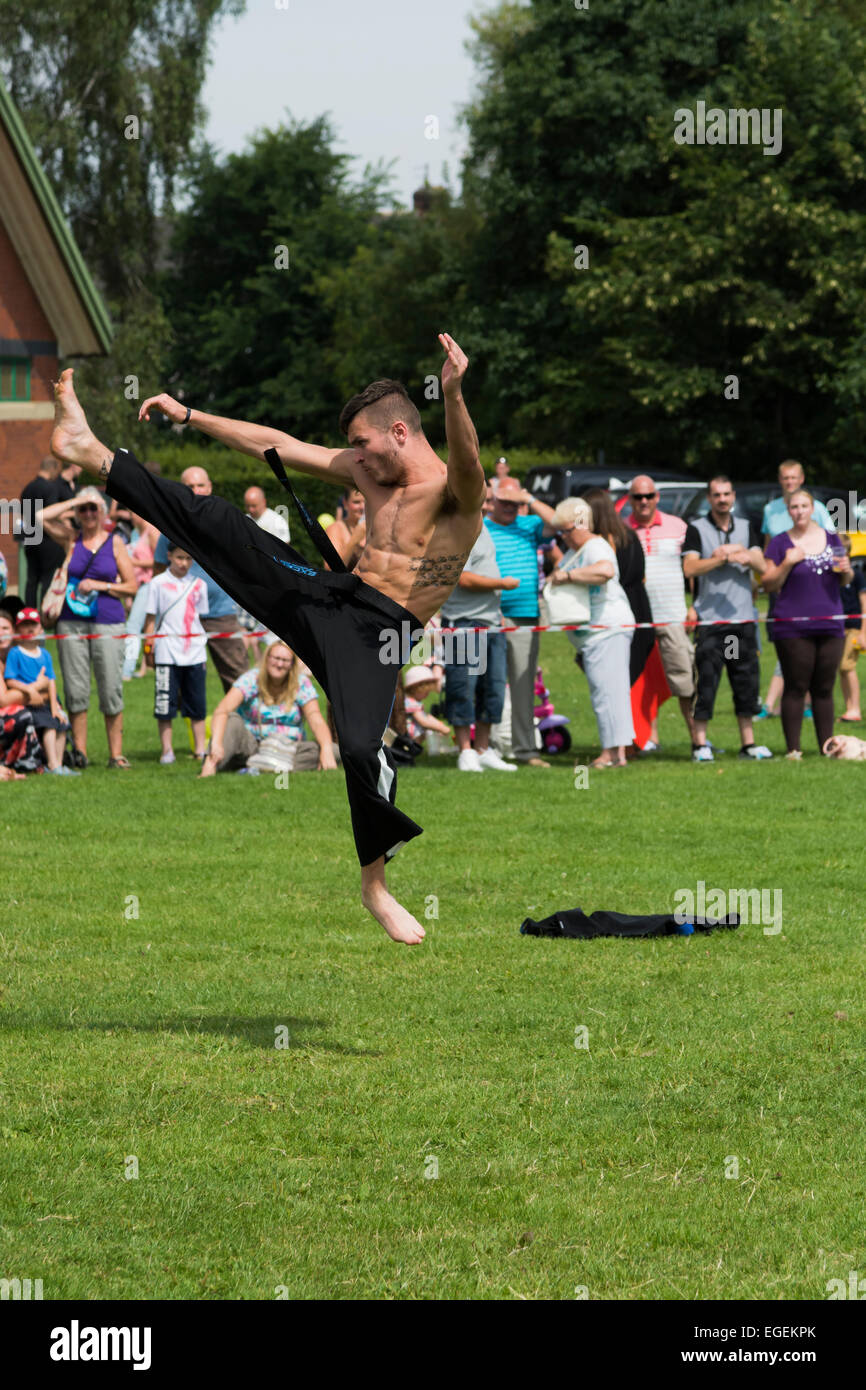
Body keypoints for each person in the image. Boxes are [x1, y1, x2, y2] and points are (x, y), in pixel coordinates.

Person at [50, 331, 485, 945]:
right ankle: (93, 451)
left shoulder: (454, 495)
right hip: (333, 601)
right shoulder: (369, 471)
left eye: (361, 442)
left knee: (361, 749)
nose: (352, 455)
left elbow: (467, 460)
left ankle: (374, 885)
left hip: (381, 637)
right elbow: (277, 446)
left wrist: (456, 393)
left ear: (399, 433)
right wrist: (190, 415)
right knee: (223, 522)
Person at [37, 486, 137, 768]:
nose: (89, 513)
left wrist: (101, 585)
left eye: (94, 508)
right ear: (77, 514)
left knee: (110, 687)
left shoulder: (115, 542)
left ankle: (116, 754)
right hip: (71, 623)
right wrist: (76, 500)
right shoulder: (72, 539)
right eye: (84, 509)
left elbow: (132, 586)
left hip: (108, 621)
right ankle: (79, 753)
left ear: (103, 511)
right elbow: (38, 517)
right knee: (76, 688)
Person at [682, 477, 772, 761]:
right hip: (711, 622)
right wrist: (719, 558)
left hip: (740, 623)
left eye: (726, 494)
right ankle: (700, 744)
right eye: (716, 495)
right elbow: (690, 567)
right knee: (706, 682)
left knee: (744, 680)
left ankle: (748, 744)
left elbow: (763, 566)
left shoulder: (745, 528)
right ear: (709, 498)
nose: (722, 499)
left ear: (733, 496)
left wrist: (744, 555)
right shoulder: (696, 529)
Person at [762, 489, 852, 757]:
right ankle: (793, 750)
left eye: (804, 506)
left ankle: (827, 748)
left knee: (824, 687)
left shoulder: (832, 538)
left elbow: (843, 581)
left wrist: (846, 571)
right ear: (788, 511)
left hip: (831, 624)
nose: (799, 511)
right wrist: (787, 563)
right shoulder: (780, 543)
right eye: (794, 507)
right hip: (792, 626)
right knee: (796, 686)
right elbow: (767, 583)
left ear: (813, 509)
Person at [552, 497, 635, 767]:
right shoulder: (575, 551)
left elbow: (605, 571)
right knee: (613, 691)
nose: (563, 537)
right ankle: (618, 752)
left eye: (566, 531)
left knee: (606, 692)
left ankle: (610, 753)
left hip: (606, 629)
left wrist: (569, 576)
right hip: (599, 632)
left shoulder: (595, 546)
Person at [152, 466, 248, 693]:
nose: (195, 490)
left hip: (220, 613)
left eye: (200, 485)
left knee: (241, 682)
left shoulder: (227, 523)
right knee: (181, 686)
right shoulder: (170, 528)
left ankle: (244, 728)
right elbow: (158, 572)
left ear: (210, 487)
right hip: (180, 617)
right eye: (189, 486)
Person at [484, 475, 558, 767]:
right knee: (487, 683)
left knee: (523, 684)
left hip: (526, 615)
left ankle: (526, 750)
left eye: (515, 503)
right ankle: (484, 748)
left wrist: (529, 500)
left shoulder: (530, 525)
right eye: (504, 501)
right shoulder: (481, 528)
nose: (510, 507)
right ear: (492, 501)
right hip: (489, 615)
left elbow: (561, 523)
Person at [583, 487, 662, 753]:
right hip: (638, 610)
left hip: (616, 614)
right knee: (627, 681)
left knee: (619, 684)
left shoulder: (603, 543)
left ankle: (627, 745)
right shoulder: (628, 535)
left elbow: (607, 575)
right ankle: (630, 743)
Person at [759, 459, 835, 717]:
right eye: (785, 478)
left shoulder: (820, 509)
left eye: (794, 478)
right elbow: (768, 547)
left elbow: (834, 544)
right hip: (782, 588)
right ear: (779, 480)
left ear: (801, 479)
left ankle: (801, 702)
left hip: (814, 589)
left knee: (814, 650)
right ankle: (779, 702)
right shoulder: (771, 510)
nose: (789, 482)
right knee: (788, 649)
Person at [626, 475, 697, 749]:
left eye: (648, 496)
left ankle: (697, 740)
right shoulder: (623, 530)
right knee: (643, 682)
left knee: (685, 681)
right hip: (636, 618)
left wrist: (694, 604)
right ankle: (647, 738)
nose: (643, 502)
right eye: (637, 497)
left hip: (673, 614)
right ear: (630, 499)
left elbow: (693, 569)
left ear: (656, 497)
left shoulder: (678, 527)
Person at [441, 523, 518, 772]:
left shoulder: (482, 528)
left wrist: (497, 609)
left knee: (493, 687)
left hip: (492, 621)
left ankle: (483, 749)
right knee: (463, 685)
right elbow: (462, 578)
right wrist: (502, 585)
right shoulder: (455, 529)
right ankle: (465, 750)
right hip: (463, 621)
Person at [200, 640, 337, 775]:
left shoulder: (301, 683)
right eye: (276, 658)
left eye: (285, 660)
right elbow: (222, 711)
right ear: (267, 659)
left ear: (292, 664)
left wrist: (326, 749)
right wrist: (216, 745)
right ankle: (213, 763)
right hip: (253, 746)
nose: (279, 664)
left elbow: (315, 718)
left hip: (288, 748)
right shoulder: (251, 679)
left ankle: (263, 764)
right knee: (232, 719)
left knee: (335, 751)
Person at [143, 544, 209, 764]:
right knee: (165, 704)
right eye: (180, 557)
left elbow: (201, 618)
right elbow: (150, 620)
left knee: (197, 704)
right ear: (169, 556)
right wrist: (148, 649)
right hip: (166, 653)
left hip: (195, 653)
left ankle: (200, 749)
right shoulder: (157, 583)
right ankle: (167, 750)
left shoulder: (199, 584)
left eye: (189, 558)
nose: (184, 563)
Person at [2, 608, 78, 774]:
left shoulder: (45, 654)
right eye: (25, 625)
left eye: (33, 625)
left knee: (61, 722)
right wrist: (31, 688)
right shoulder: (15, 654)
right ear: (18, 630)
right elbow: (10, 680)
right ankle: (52, 764)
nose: (29, 629)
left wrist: (54, 707)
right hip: (29, 704)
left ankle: (59, 762)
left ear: (41, 629)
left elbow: (51, 682)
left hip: (44, 703)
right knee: (49, 726)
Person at [17, 455, 66, 607]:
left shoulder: (27, 489)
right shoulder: (50, 487)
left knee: (32, 581)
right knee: (48, 579)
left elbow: (23, 515)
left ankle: (30, 615)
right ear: (51, 469)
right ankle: (46, 613)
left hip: (31, 539)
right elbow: (52, 515)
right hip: (47, 540)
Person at [0, 610, 45, 774]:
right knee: (21, 713)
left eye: (5, 628)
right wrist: (34, 688)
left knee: (51, 712)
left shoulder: (22, 655)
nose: (1, 633)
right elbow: (3, 700)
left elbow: (47, 692)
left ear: (14, 632)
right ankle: (21, 762)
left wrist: (40, 694)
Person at [122, 510, 160, 679]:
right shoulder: (137, 532)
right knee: (147, 629)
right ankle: (145, 667)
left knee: (133, 627)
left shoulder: (152, 531)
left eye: (133, 512)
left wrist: (133, 562)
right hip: (139, 585)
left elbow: (160, 562)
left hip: (150, 585)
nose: (130, 516)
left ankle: (126, 670)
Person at [836, 536, 866, 724]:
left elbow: (865, 605)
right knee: (841, 669)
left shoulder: (857, 575)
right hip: (838, 627)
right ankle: (849, 709)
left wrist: (864, 633)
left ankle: (855, 708)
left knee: (847, 666)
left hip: (854, 628)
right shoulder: (832, 575)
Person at [403, 665, 452, 747]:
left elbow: (427, 717)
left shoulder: (414, 702)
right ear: (416, 689)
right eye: (426, 692)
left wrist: (439, 725)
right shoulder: (411, 703)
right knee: (427, 729)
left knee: (429, 728)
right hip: (408, 735)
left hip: (411, 735)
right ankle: (412, 749)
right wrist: (442, 728)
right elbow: (423, 721)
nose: (427, 695)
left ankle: (414, 749)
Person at [326, 487, 366, 568]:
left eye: (366, 501)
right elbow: (330, 568)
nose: (362, 507)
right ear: (345, 503)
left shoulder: (376, 528)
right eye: (356, 502)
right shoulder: (336, 528)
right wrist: (354, 539)